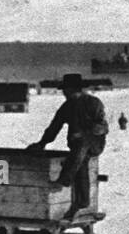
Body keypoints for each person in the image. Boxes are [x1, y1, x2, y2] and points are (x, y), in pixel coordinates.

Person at [27, 73, 109, 214]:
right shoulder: (67, 106)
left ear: (73, 89)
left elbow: (103, 128)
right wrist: (42, 143)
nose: (64, 93)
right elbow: (55, 127)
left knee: (82, 146)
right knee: (80, 158)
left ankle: (64, 180)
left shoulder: (94, 103)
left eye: (66, 90)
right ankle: (83, 201)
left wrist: (84, 133)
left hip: (95, 144)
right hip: (78, 147)